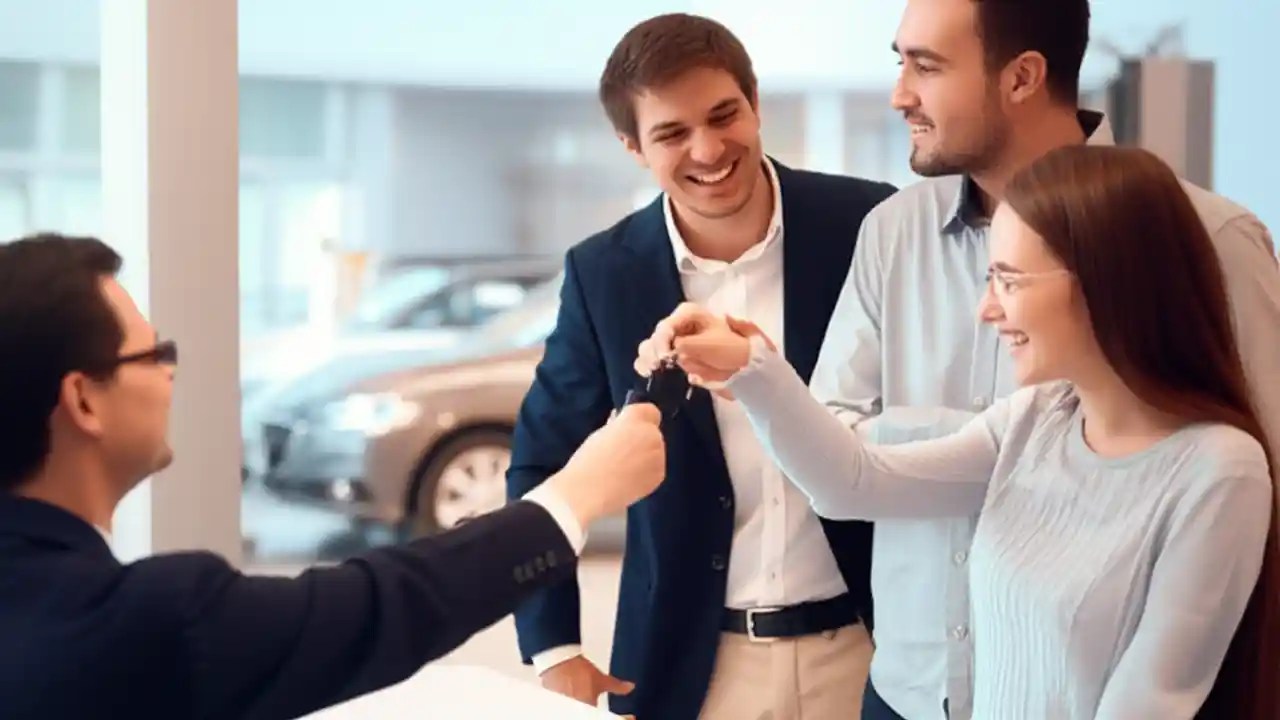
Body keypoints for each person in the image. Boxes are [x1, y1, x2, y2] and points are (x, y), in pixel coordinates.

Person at [638, 144, 1279, 720]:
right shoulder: (1036, 419)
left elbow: (1151, 703)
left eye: (1011, 279)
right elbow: (852, 483)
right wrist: (751, 366)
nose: (988, 308)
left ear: (1107, 284)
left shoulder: (1219, 472)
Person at [782, 1, 1280, 718]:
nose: (900, 93)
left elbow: (1254, 492)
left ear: (1021, 77)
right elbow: (832, 446)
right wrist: (1015, 441)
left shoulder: (1212, 237)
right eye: (901, 62)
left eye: (926, 65)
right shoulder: (892, 233)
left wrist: (980, 450)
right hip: (911, 693)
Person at [0, 233, 668, 720]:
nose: (171, 373)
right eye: (156, 354)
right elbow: (384, 603)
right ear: (84, 400)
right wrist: (578, 494)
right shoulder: (137, 622)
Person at [505, 13, 896, 720]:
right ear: (632, 147)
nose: (709, 149)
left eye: (724, 115)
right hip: (690, 665)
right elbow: (541, 463)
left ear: (755, 104)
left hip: (872, 646)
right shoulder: (603, 275)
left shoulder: (868, 224)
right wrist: (553, 644)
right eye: (672, 133)